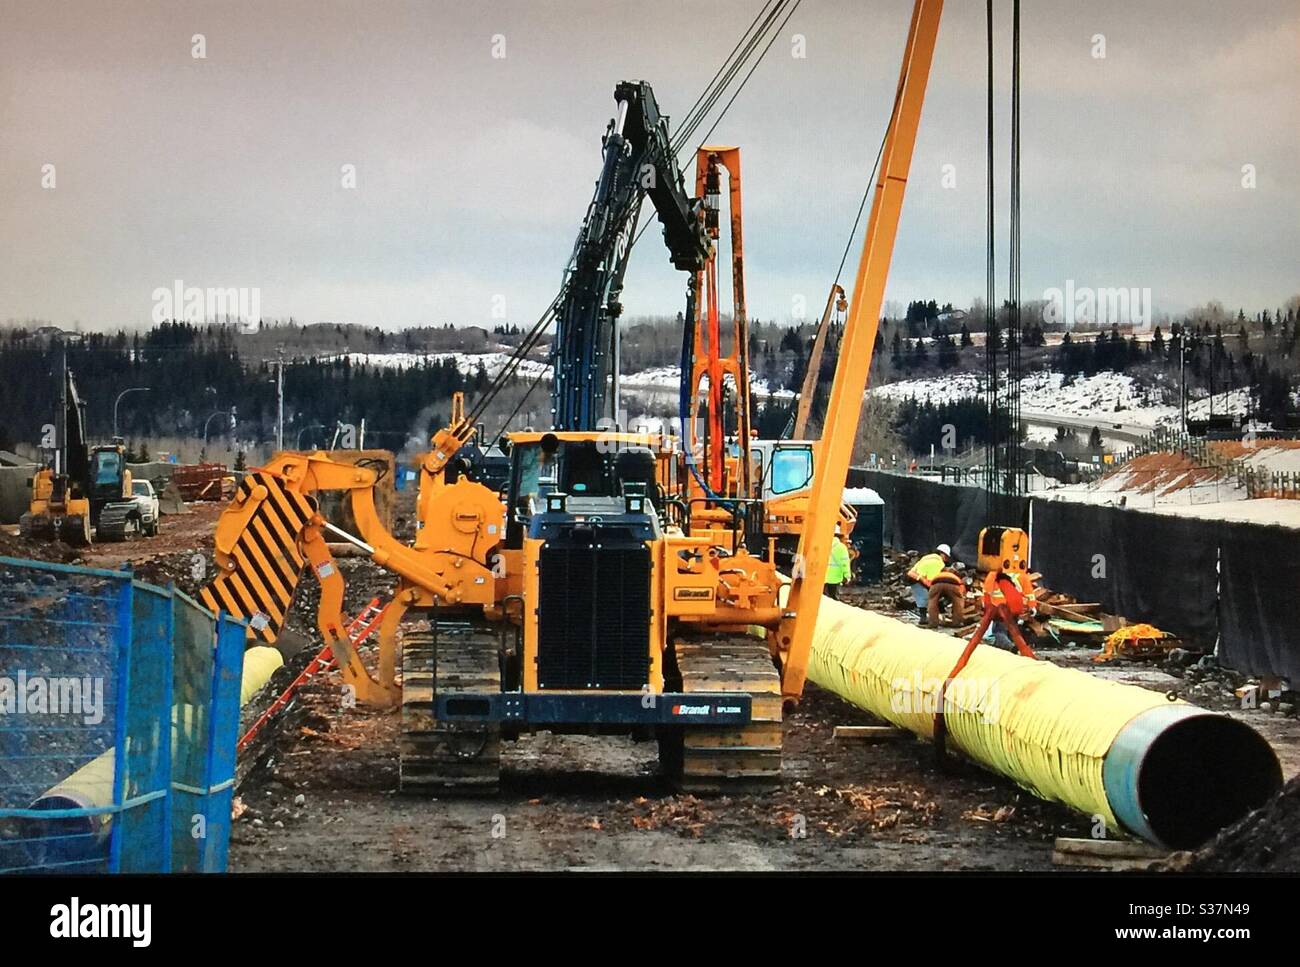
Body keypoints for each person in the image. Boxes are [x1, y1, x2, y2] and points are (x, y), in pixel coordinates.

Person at [906, 542, 965, 627]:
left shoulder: (924, 558)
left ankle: (931, 622)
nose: (946, 560)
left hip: (916, 580)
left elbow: (910, 573)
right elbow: (931, 580)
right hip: (929, 581)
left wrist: (921, 579)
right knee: (955, 600)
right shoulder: (939, 563)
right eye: (946, 557)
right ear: (942, 554)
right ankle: (958, 622)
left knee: (930, 600)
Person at [824, 526, 852, 599]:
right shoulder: (842, 548)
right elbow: (845, 564)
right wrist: (847, 576)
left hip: (822, 577)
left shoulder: (822, 545)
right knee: (833, 598)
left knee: (823, 599)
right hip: (835, 578)